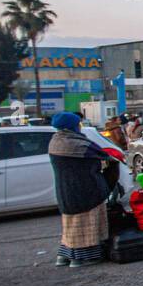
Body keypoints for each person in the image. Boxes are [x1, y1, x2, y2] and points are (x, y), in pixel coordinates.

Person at [48, 112, 112, 267]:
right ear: (72, 126)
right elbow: (101, 156)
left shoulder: (55, 141)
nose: (80, 127)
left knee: (70, 226)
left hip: (65, 192)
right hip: (86, 191)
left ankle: (65, 256)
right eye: (78, 124)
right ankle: (83, 257)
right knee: (86, 226)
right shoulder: (76, 143)